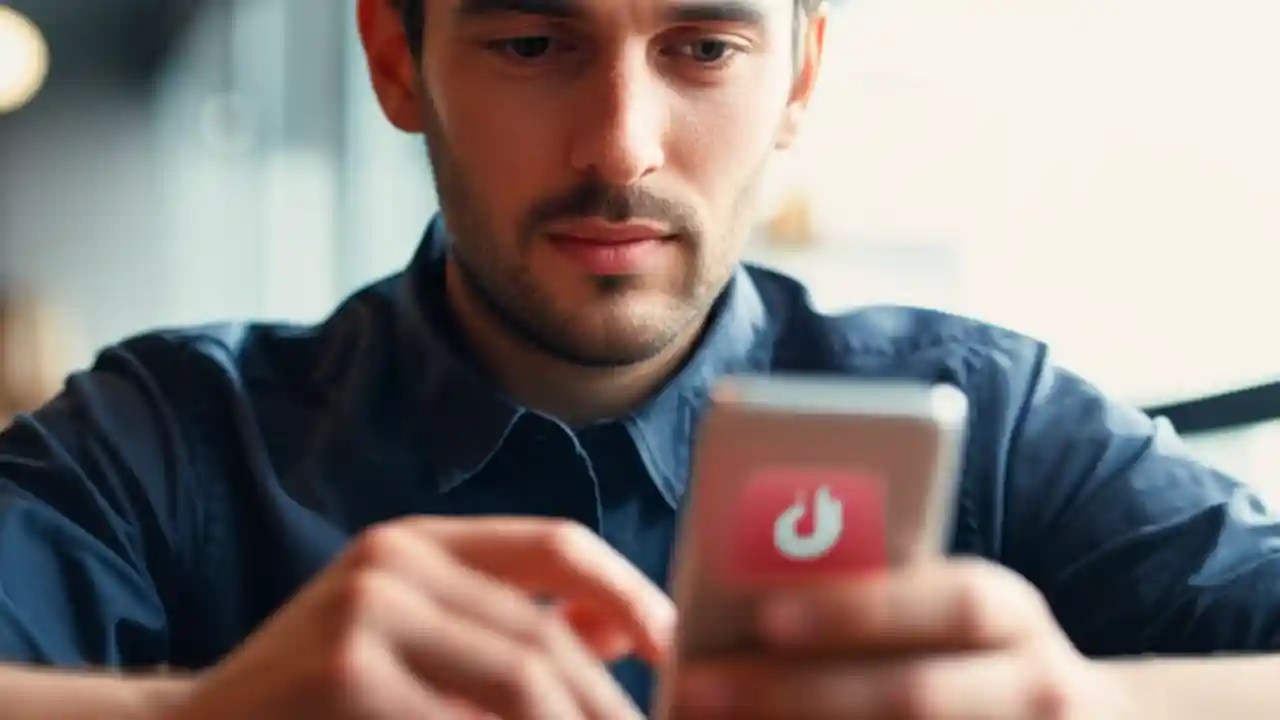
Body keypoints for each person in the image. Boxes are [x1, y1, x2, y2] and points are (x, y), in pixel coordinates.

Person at [1, 0, 1278, 717]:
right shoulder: (166, 438)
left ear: (799, 75)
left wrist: (1094, 711)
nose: (620, 147)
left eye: (704, 48)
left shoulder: (989, 422)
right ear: (395, 59)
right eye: (531, 44)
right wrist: (200, 718)